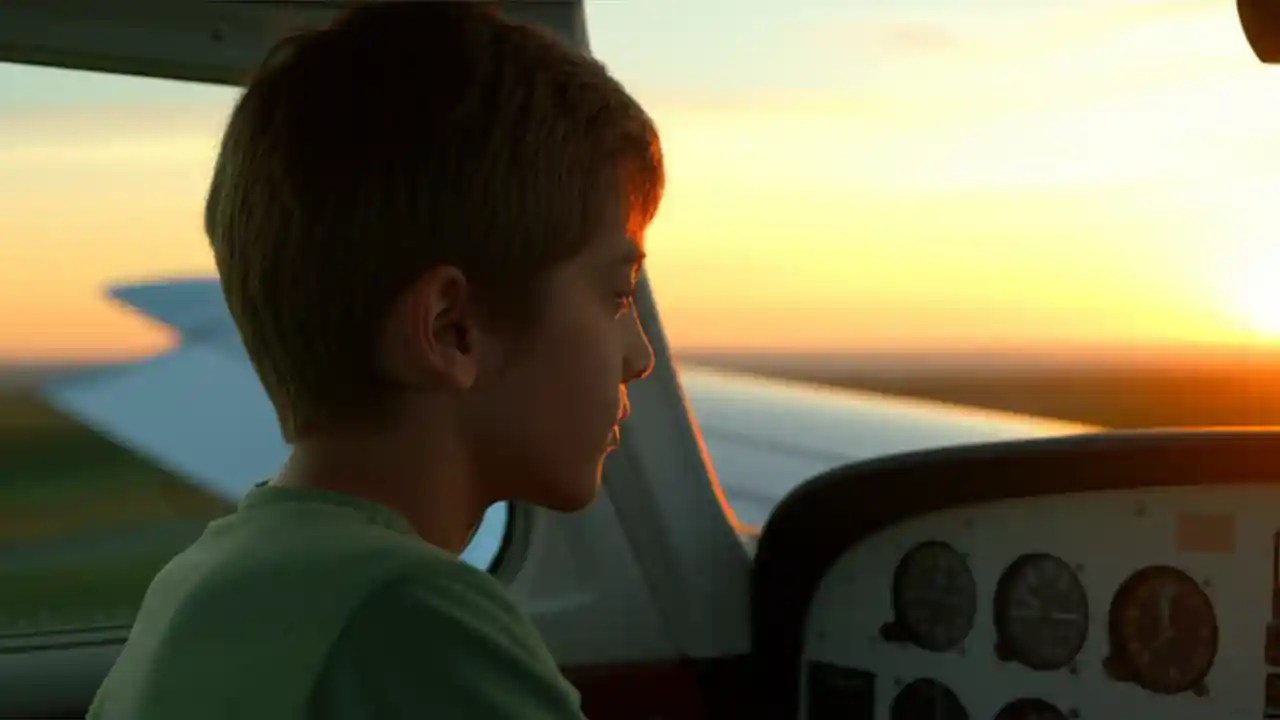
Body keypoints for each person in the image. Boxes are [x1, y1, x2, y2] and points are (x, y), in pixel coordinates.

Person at [85, 2, 662, 718]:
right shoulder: (412, 622)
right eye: (616, 295)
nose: (639, 357)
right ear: (453, 331)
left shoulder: (203, 581)